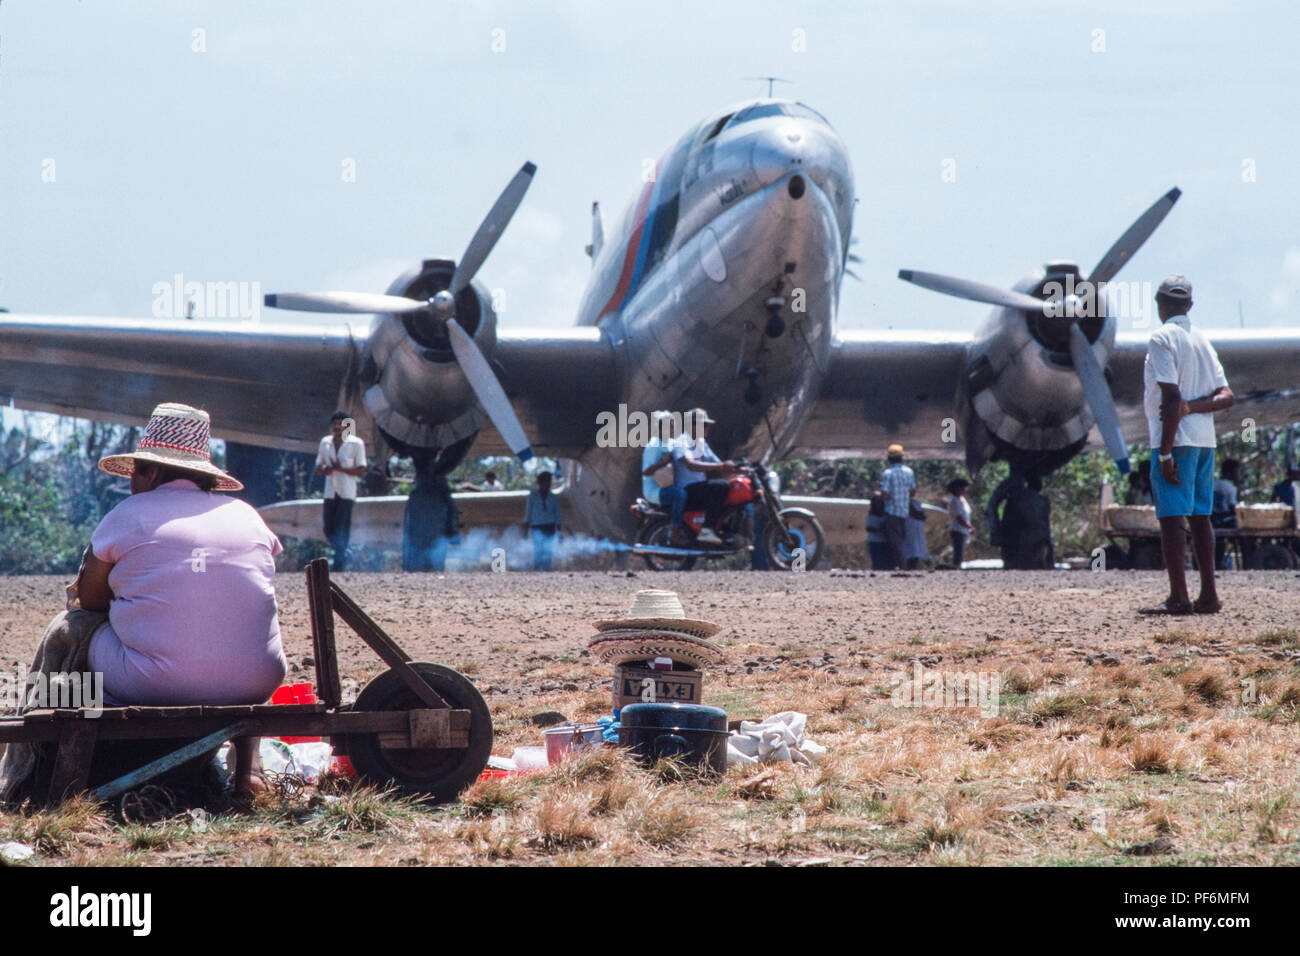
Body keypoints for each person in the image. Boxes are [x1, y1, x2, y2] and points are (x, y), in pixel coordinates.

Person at [73, 403, 285, 795]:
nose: (132, 481)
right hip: (257, 681)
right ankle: (248, 774)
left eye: (137, 470)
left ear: (152, 471)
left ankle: (60, 760)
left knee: (73, 631)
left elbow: (89, 601)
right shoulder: (248, 516)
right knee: (234, 636)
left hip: (159, 684)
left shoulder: (129, 513)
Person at [1140, 274, 1235, 615]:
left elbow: (1171, 397)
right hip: (1204, 441)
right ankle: (1209, 595)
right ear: (1190, 305)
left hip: (1174, 438)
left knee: (1171, 518)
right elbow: (1227, 396)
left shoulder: (1162, 338)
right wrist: (1195, 408)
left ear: (1159, 305)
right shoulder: (1203, 342)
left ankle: (1179, 597)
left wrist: (1165, 452)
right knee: (1200, 517)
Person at [670, 408, 736, 546]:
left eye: (707, 425)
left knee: (734, 491)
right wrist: (721, 466)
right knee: (721, 486)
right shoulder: (681, 442)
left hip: (699, 490)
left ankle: (726, 531)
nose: (707, 428)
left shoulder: (701, 443)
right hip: (687, 491)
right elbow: (692, 465)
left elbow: (718, 463)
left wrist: (745, 470)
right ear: (691, 425)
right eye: (704, 425)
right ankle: (707, 529)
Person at [315, 410, 367, 572]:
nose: (337, 427)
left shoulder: (356, 443)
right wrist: (325, 469)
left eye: (341, 424)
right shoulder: (325, 442)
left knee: (342, 526)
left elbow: (360, 469)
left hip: (346, 492)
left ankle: (340, 561)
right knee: (328, 527)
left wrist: (341, 469)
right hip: (330, 491)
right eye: (335, 424)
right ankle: (343, 551)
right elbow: (318, 466)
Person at [641, 411, 684, 524]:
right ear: (660, 429)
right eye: (669, 427)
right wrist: (663, 463)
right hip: (654, 491)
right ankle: (675, 530)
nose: (672, 429)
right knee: (679, 495)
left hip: (667, 484)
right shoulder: (653, 445)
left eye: (672, 426)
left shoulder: (669, 442)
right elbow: (646, 472)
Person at [880, 444, 915, 569]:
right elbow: (912, 492)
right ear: (902, 457)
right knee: (901, 540)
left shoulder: (887, 473)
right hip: (904, 512)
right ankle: (900, 565)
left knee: (895, 542)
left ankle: (900, 566)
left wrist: (889, 498)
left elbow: (884, 494)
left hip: (892, 511)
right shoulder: (909, 472)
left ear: (889, 459)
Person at [524, 470, 562, 570]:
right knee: (538, 549)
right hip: (537, 526)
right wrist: (525, 529)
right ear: (541, 483)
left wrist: (559, 531)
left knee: (548, 549)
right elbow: (528, 513)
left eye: (550, 481)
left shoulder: (553, 498)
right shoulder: (532, 496)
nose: (549, 484)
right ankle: (538, 569)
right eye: (547, 481)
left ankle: (547, 569)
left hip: (550, 526)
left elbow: (557, 514)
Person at [1212, 457, 1241, 570]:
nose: (1237, 475)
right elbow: (1233, 507)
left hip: (1210, 519)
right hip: (1222, 520)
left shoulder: (1214, 483)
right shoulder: (1230, 488)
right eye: (1236, 472)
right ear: (1230, 472)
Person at [947, 477, 974, 569]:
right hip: (957, 529)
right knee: (958, 550)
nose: (963, 490)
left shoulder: (962, 499)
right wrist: (968, 526)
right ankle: (956, 567)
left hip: (963, 529)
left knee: (961, 550)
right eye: (961, 488)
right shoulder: (954, 501)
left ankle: (958, 566)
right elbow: (958, 517)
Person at [865, 491, 893, 570]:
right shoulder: (871, 515)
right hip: (874, 542)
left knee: (886, 561)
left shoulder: (886, 513)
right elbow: (868, 528)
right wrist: (879, 530)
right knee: (877, 562)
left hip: (885, 541)